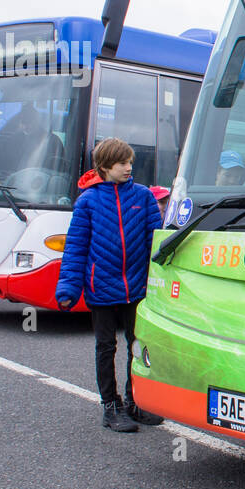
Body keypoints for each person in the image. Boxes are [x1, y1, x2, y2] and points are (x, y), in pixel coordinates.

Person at [55, 138, 164, 433]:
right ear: (104, 167)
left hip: (137, 289)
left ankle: (135, 401)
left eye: (130, 162)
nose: (130, 167)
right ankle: (111, 407)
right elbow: (76, 249)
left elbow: (157, 243)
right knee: (106, 347)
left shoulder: (143, 197)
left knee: (137, 346)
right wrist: (68, 289)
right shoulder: (87, 202)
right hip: (100, 288)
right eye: (123, 163)